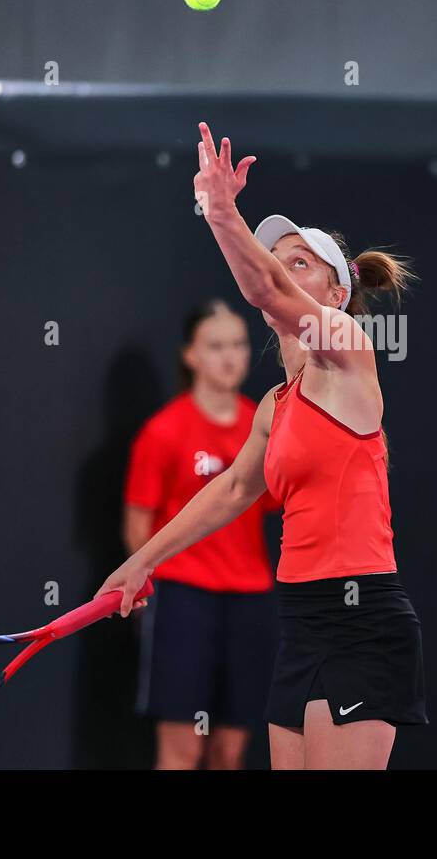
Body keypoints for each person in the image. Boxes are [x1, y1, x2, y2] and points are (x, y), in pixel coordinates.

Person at [100, 121, 425, 769]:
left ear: (336, 296)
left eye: (298, 262)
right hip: (302, 623)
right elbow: (233, 489)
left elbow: (263, 289)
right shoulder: (276, 407)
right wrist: (146, 562)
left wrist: (221, 212)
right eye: (279, 257)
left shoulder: (349, 354)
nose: (281, 269)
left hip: (362, 624)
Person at [124, 299, 277, 769]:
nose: (230, 357)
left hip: (250, 597)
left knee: (229, 751)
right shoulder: (164, 431)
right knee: (183, 748)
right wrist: (146, 592)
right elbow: (137, 527)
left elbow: (277, 498)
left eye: (238, 344)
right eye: (215, 346)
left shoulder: (267, 423)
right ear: (190, 355)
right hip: (182, 599)